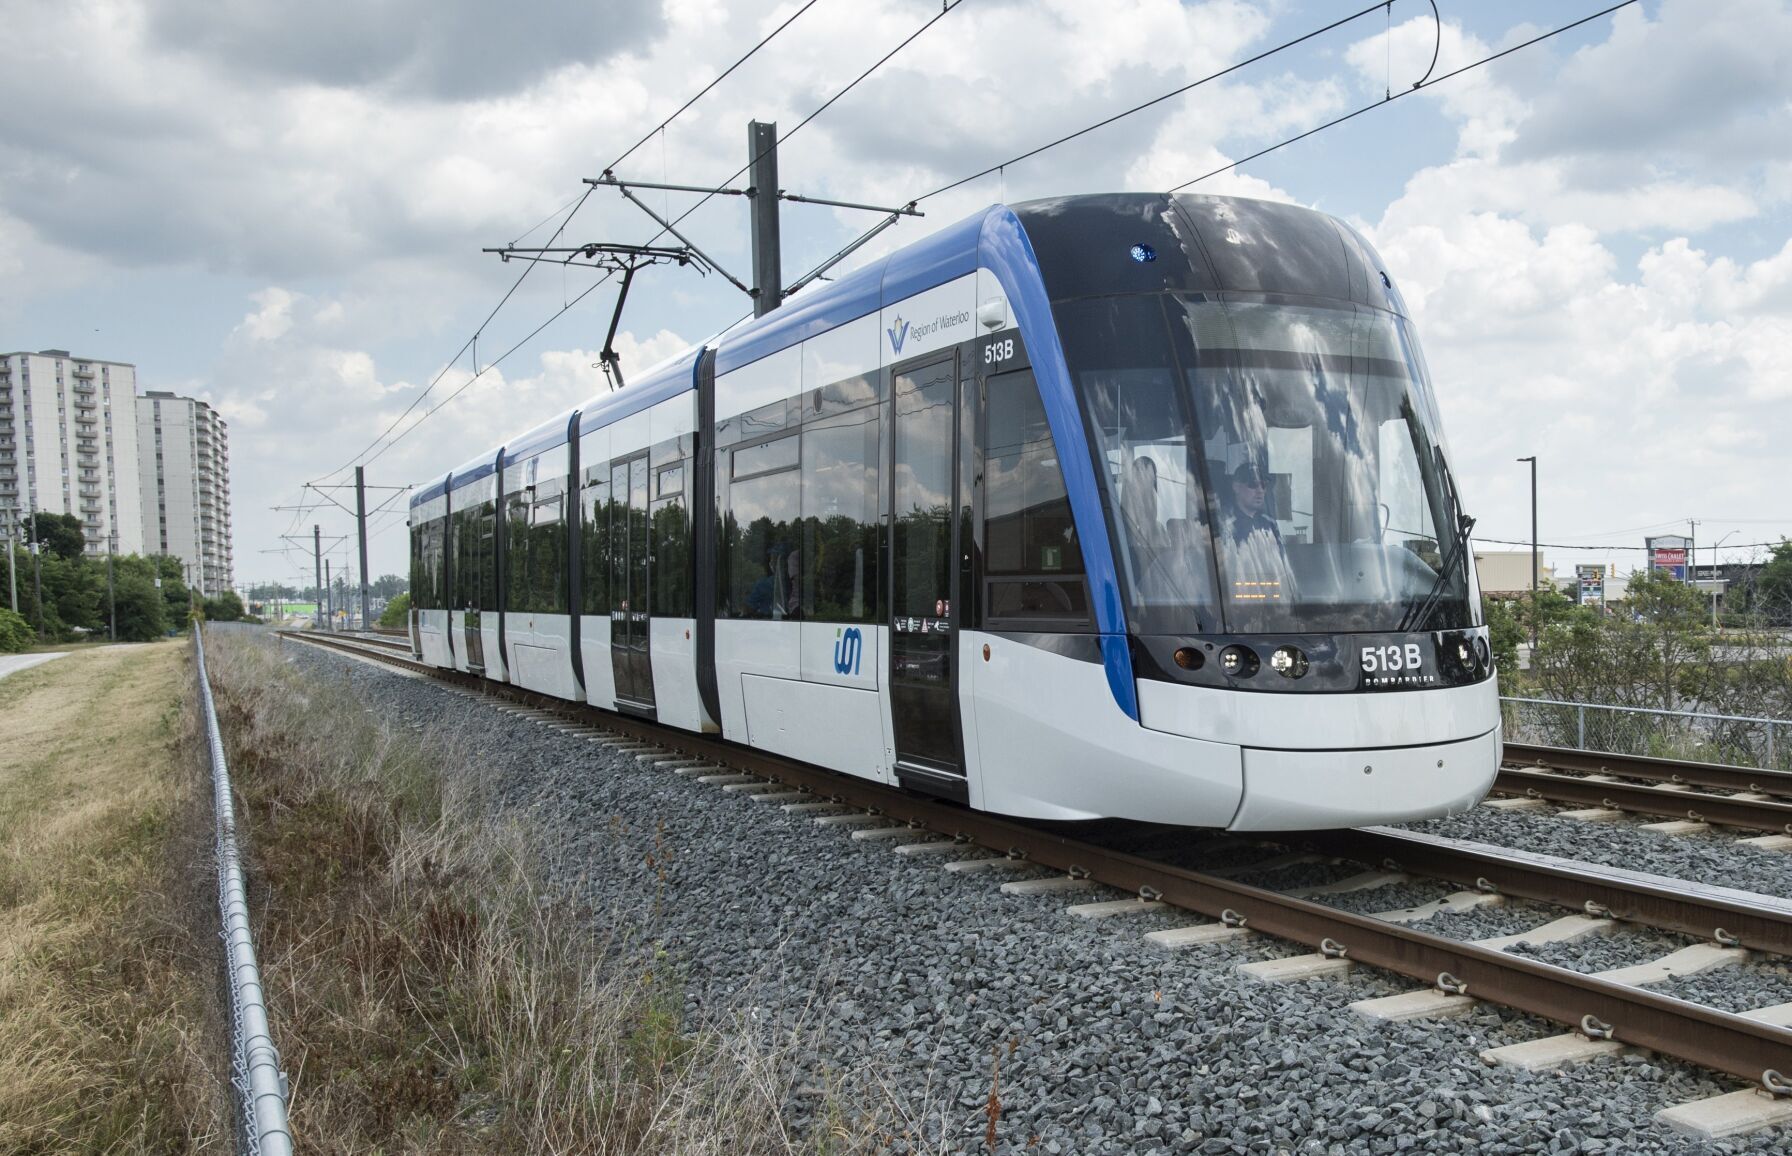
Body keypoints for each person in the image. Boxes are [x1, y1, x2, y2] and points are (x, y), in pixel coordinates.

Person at [1222, 460, 1292, 604]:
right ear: (1236, 487)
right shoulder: (1225, 527)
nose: (1260, 490)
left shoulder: (1271, 525)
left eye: (1263, 485)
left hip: (1276, 604)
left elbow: (1284, 569)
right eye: (1253, 484)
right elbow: (1227, 578)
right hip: (1241, 606)